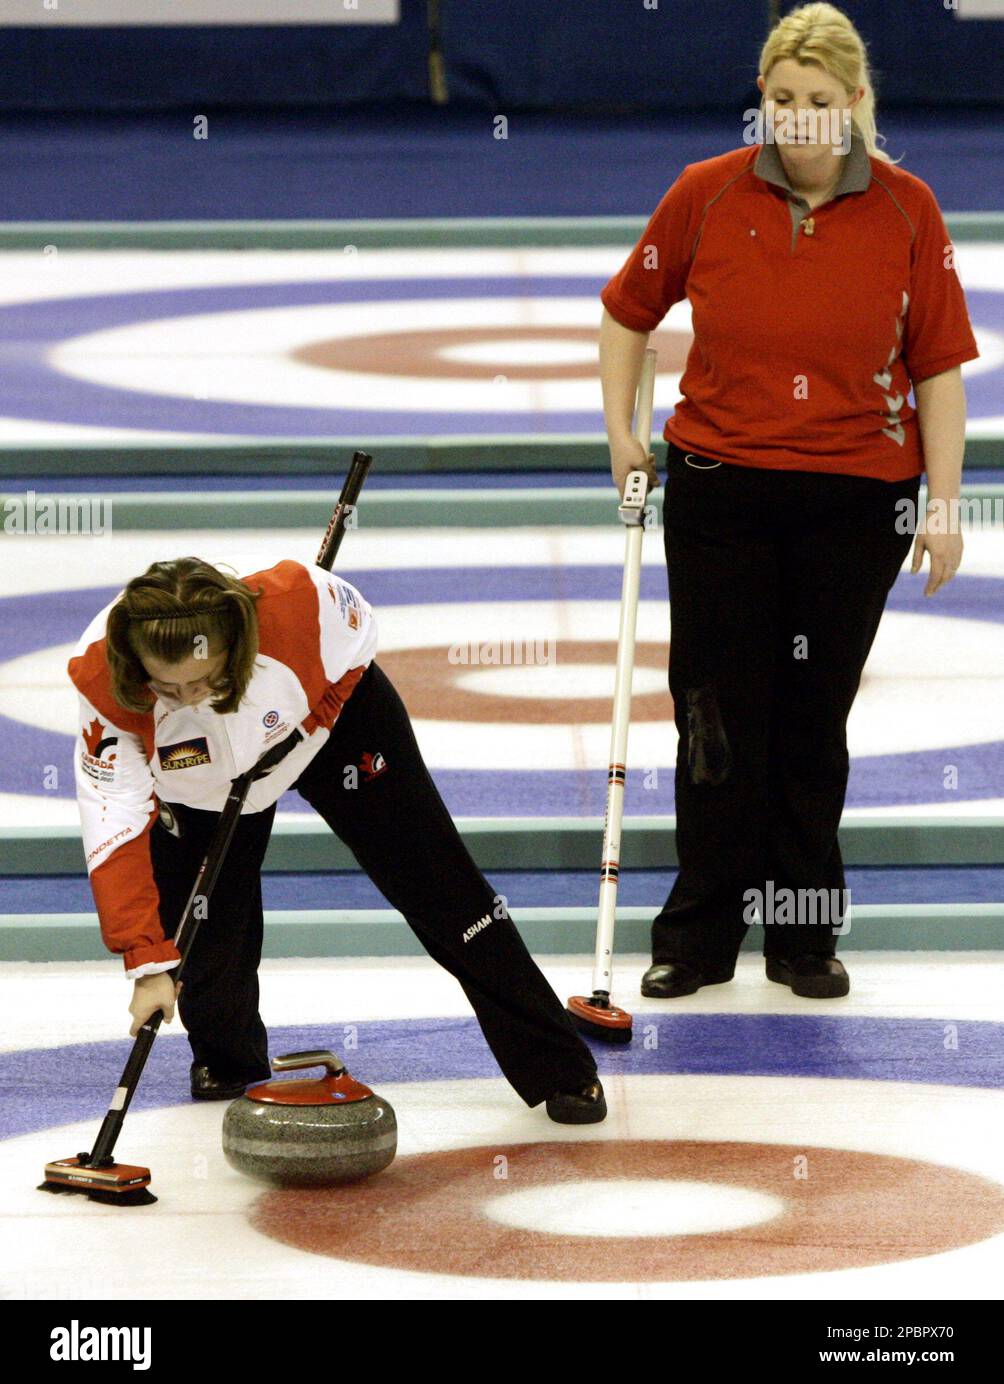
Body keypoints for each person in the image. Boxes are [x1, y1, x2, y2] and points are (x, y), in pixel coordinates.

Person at [598, 3, 978, 1000]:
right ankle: (696, 934)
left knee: (812, 716)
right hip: (722, 487)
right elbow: (626, 310)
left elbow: (937, 367)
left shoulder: (907, 208)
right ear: (758, 103)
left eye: (817, 103)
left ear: (852, 105)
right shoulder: (704, 194)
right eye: (779, 101)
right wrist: (621, 435)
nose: (798, 121)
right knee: (714, 713)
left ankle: (802, 934)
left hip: (856, 499)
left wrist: (942, 503)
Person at [69, 554, 605, 1123]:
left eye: (203, 680)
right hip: (194, 780)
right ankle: (227, 1057)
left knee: (442, 886)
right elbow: (115, 821)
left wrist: (312, 723)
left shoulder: (301, 606)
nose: (189, 697)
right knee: (203, 915)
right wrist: (147, 961)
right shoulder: (106, 683)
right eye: (167, 686)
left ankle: (558, 1066)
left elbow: (359, 646)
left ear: (238, 642)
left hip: (332, 732)